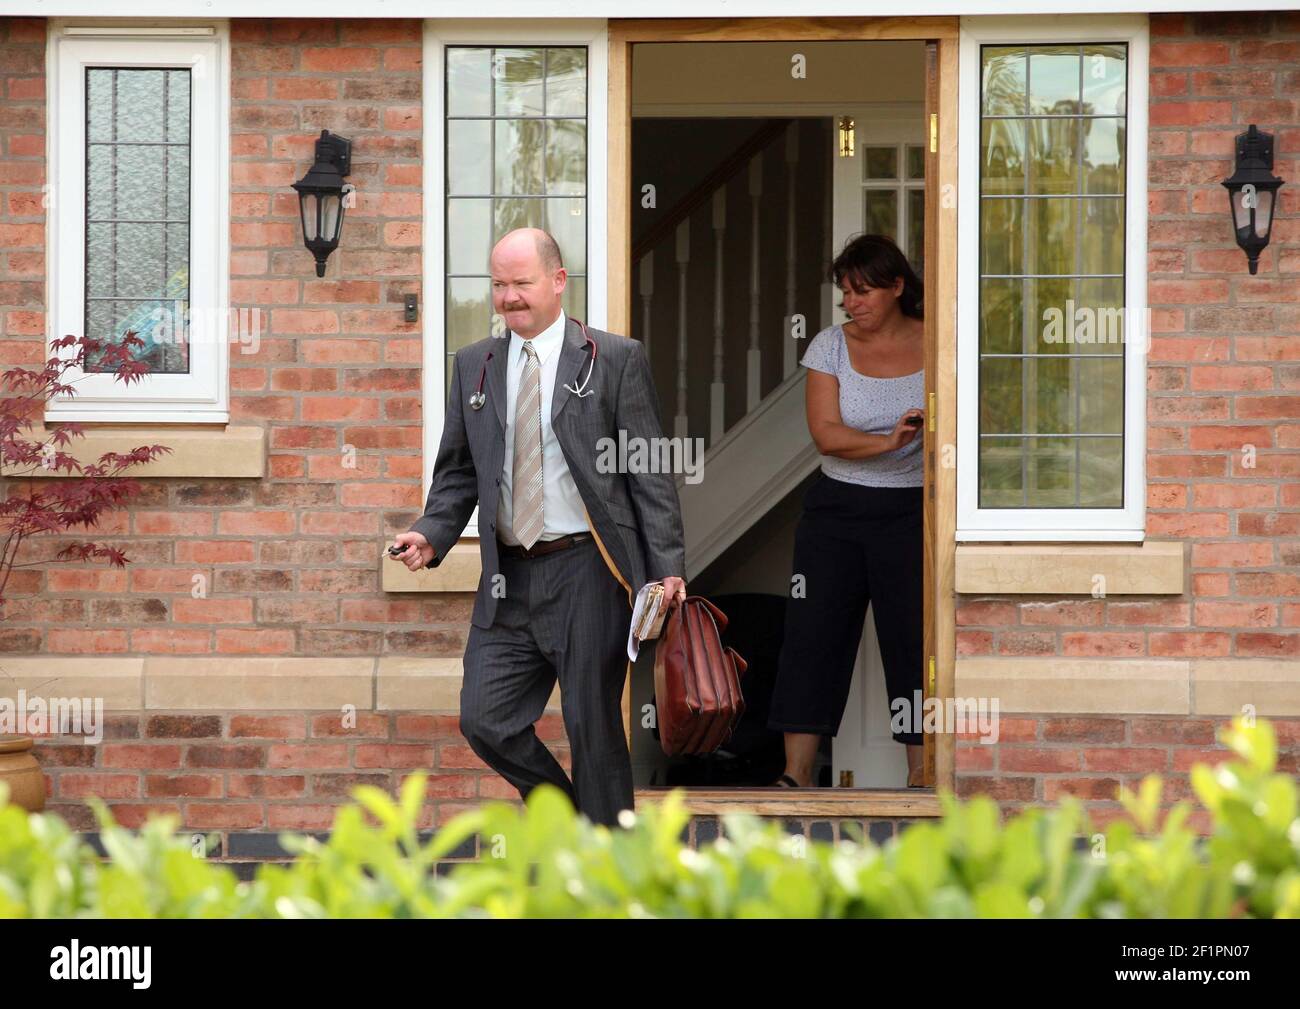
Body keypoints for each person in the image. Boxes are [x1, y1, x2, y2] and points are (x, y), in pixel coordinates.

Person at [389, 227, 686, 828]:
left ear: (558, 281)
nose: (509, 297)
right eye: (498, 285)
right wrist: (432, 531)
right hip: (507, 578)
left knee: (592, 727)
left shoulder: (614, 358)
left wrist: (667, 568)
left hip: (588, 570)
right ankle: (570, 818)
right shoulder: (473, 365)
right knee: (485, 719)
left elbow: (649, 471)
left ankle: (608, 862)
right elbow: (458, 471)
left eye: (521, 283)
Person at [767, 233, 927, 789]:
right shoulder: (829, 346)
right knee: (813, 636)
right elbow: (827, 436)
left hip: (912, 512)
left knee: (913, 640)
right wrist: (889, 442)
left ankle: (921, 773)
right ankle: (796, 775)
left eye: (863, 291)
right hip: (836, 510)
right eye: (846, 292)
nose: (851, 303)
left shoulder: (939, 341)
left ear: (897, 286)